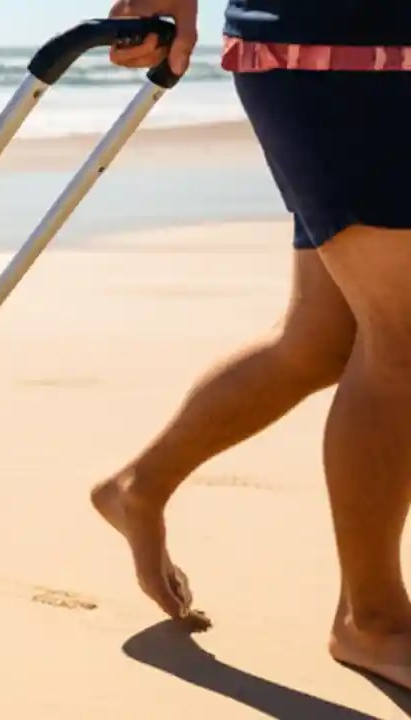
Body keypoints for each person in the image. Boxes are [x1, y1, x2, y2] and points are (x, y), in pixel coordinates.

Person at [90, 0, 411, 690]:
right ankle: (373, 619)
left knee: (324, 337)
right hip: (336, 47)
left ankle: (136, 489)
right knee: (403, 340)